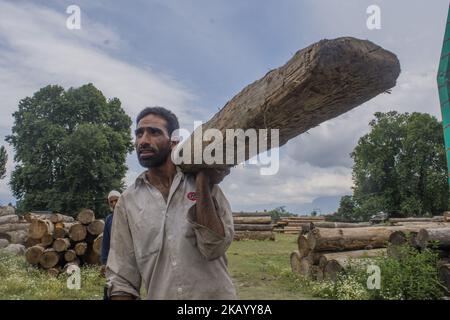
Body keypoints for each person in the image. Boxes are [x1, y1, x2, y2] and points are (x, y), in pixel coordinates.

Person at [106, 106, 236, 300]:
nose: (143, 141)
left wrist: (202, 181)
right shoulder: (128, 201)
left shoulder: (206, 186)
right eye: (139, 134)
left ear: (173, 142)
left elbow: (214, 247)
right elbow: (122, 278)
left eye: (154, 132)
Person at [101, 190, 121, 268]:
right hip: (115, 257)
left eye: (116, 200)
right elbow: (106, 242)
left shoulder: (129, 216)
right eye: (111, 202)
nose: (114, 204)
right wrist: (104, 262)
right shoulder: (109, 219)